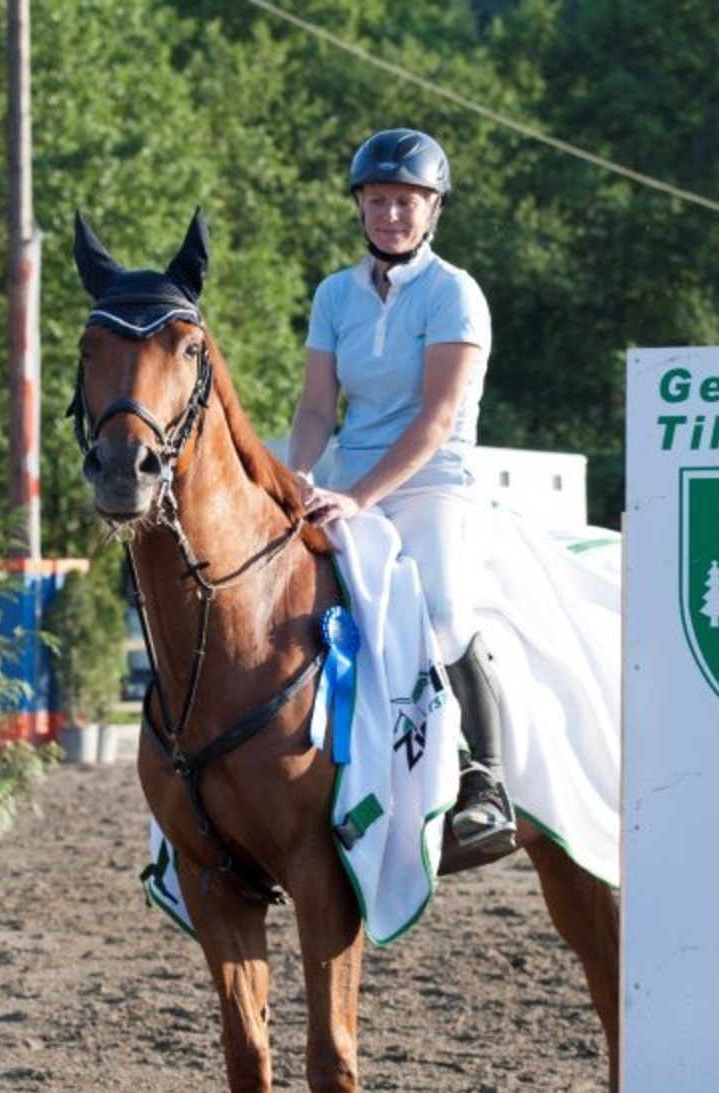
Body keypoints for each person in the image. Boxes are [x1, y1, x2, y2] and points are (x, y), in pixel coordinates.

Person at [287, 127, 514, 860]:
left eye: (405, 201)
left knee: (444, 609)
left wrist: (358, 496)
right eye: (378, 199)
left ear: (433, 209)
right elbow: (319, 408)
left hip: (432, 481)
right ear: (361, 207)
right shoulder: (333, 294)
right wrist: (297, 476)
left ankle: (488, 780)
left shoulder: (455, 293)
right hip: (348, 476)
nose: (390, 214)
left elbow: (436, 418)